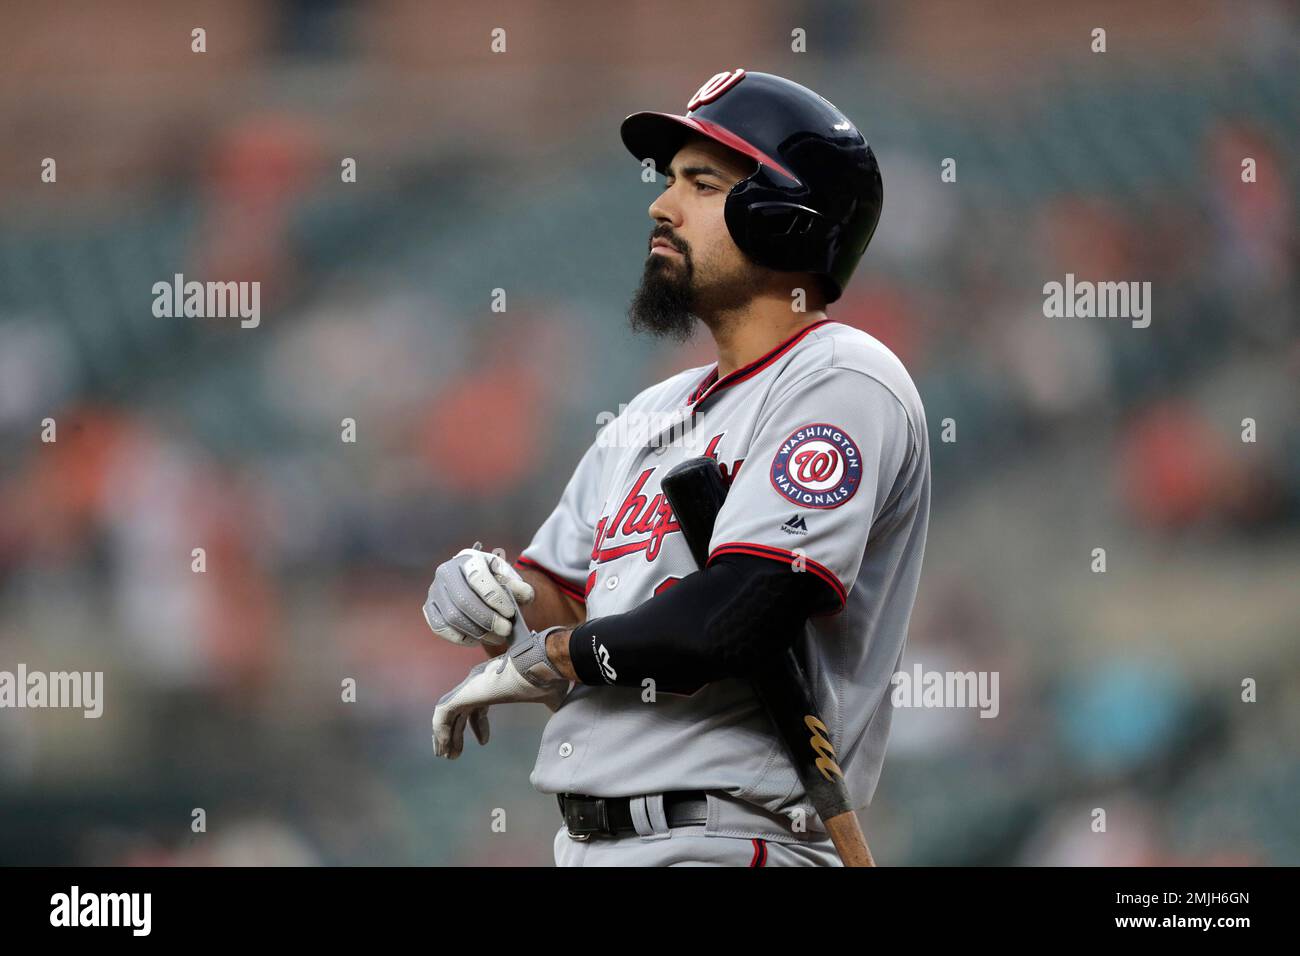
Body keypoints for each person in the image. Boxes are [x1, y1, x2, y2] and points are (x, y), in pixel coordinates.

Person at [423, 69, 930, 867]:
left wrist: (553, 656)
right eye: (669, 182)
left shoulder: (842, 376)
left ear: (785, 215)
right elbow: (561, 609)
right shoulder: (650, 414)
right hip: (592, 844)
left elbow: (734, 617)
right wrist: (493, 601)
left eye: (701, 182)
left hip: (727, 841)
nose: (661, 206)